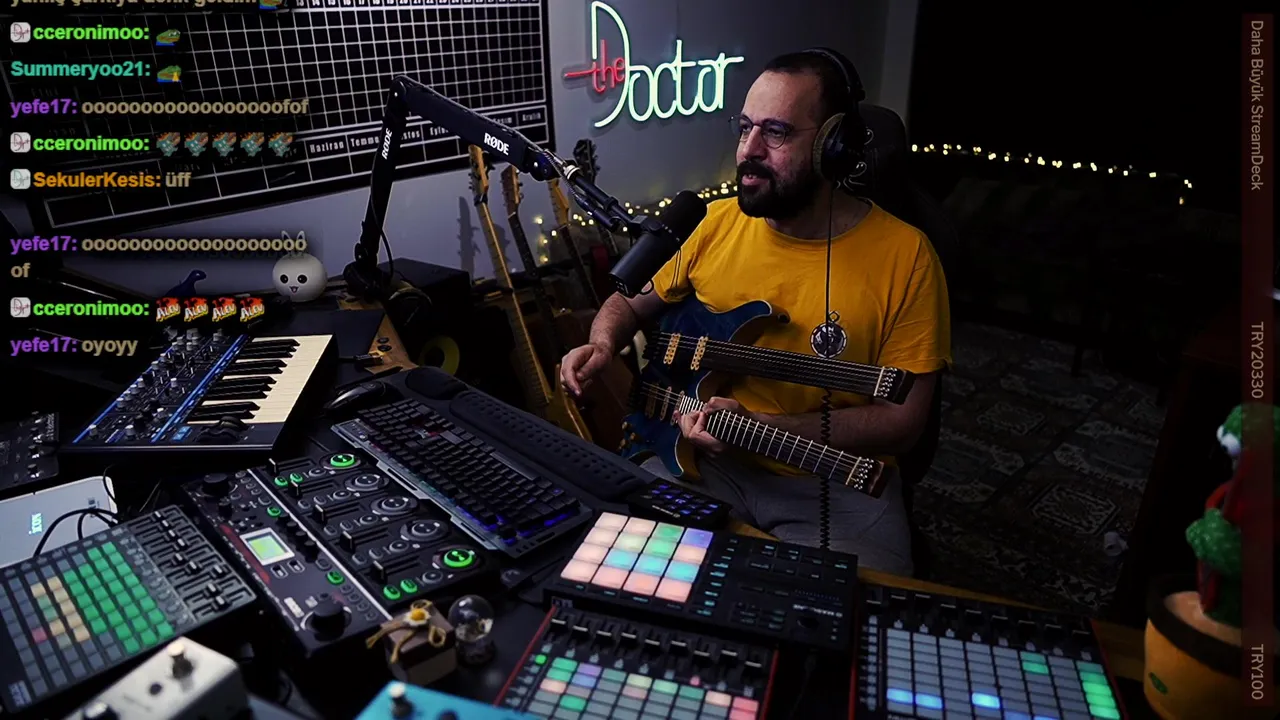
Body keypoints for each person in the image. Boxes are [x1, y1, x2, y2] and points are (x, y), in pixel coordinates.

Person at [559, 49, 951, 576]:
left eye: (776, 132)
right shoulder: (711, 222)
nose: (749, 150)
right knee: (615, 574)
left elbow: (903, 424)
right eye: (744, 128)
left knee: (848, 613)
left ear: (832, 147)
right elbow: (626, 301)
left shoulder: (907, 257)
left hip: (835, 481)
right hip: (701, 463)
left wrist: (762, 428)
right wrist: (603, 343)